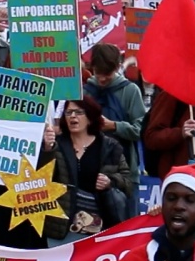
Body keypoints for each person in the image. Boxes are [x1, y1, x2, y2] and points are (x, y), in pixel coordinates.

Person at [41, 96, 133, 245]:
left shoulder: (110, 147)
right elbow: (42, 179)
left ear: (90, 117)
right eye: (68, 112)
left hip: (100, 229)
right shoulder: (56, 145)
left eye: (79, 112)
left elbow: (128, 184)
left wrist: (110, 182)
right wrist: (47, 149)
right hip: (62, 228)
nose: (72, 116)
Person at [85, 44, 146, 195]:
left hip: (125, 174)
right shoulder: (85, 91)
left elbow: (141, 130)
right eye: (98, 72)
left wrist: (114, 126)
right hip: (90, 171)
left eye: (108, 73)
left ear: (118, 67)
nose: (102, 78)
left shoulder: (130, 91)